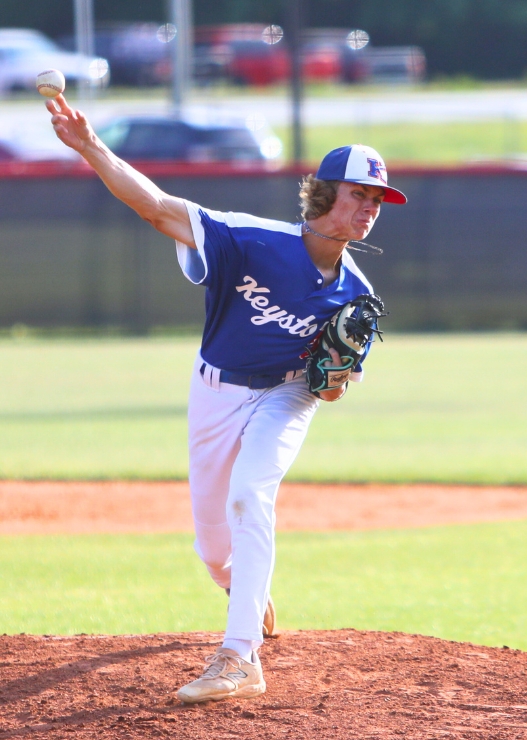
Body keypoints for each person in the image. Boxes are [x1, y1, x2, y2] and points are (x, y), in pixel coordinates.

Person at [45, 95, 407, 704]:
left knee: (251, 493)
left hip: (287, 396)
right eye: (358, 194)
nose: (369, 208)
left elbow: (335, 388)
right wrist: (90, 147)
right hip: (215, 389)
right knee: (214, 549)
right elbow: (156, 209)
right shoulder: (249, 238)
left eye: (376, 200)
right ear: (323, 195)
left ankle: (239, 658)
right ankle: (246, 589)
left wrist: (336, 376)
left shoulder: (357, 293)